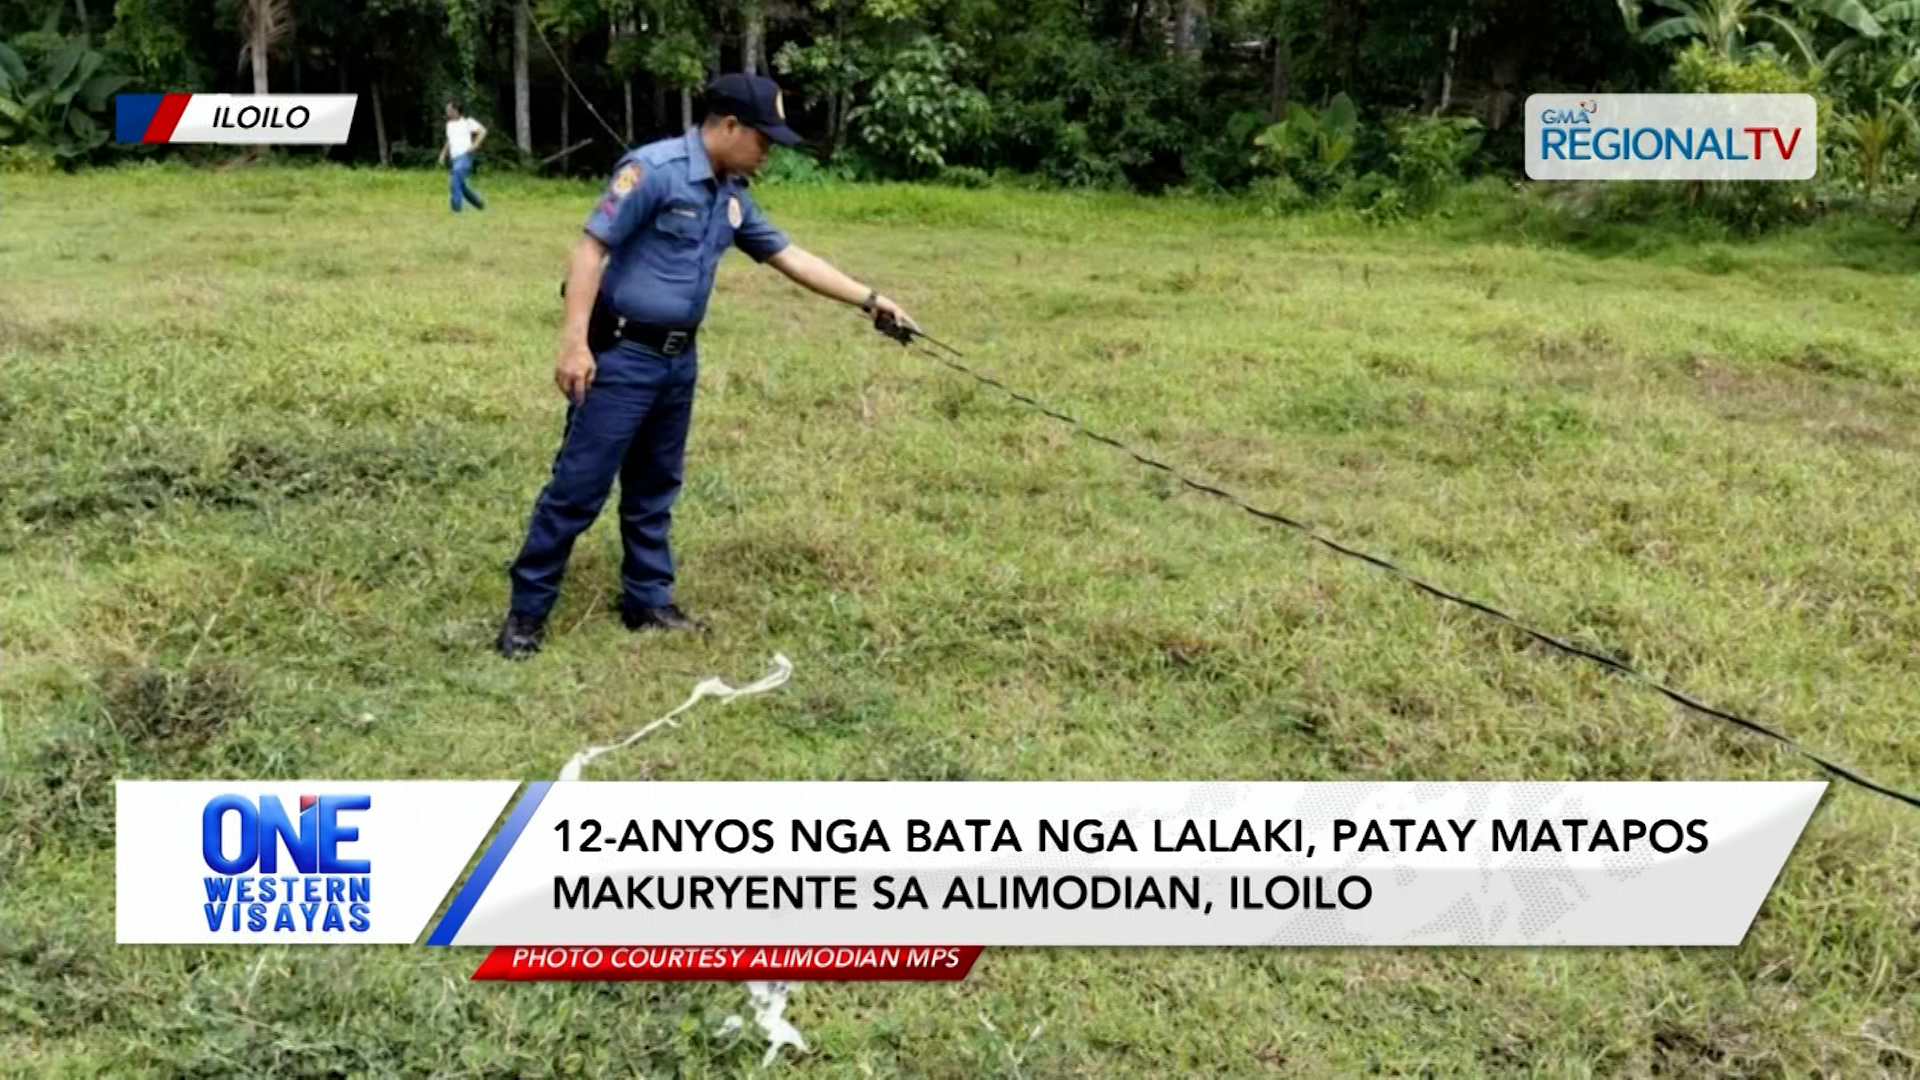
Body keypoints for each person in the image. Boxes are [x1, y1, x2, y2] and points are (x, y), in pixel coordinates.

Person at [494, 72, 918, 660]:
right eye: (762, 141)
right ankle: (526, 613)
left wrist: (871, 299)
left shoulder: (731, 193)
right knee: (578, 488)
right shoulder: (653, 170)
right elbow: (592, 247)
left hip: (676, 361)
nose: (766, 154)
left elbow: (789, 255)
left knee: (655, 486)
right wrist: (574, 344)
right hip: (621, 356)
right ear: (727, 126)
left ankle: (646, 600)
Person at [440, 101, 488, 212]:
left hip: (465, 156)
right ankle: (479, 204)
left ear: (456, 110)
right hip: (454, 158)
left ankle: (456, 208)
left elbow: (482, 131)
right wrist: (443, 153)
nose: (447, 112)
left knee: (455, 179)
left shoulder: (468, 122)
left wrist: (475, 145)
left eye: (449, 110)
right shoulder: (449, 124)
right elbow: (449, 140)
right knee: (460, 185)